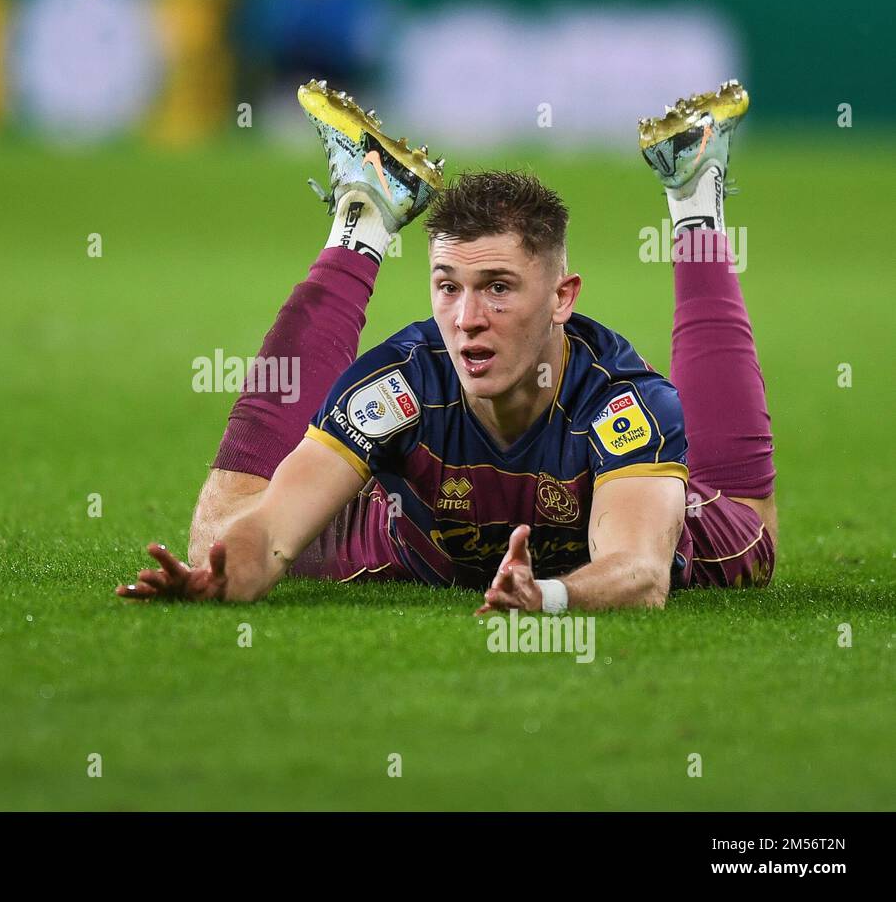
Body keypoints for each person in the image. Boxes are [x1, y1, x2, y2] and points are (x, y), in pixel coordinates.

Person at [118, 79, 775, 612]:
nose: (466, 318)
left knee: (753, 526)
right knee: (219, 540)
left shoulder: (621, 403)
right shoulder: (397, 386)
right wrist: (225, 575)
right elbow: (268, 535)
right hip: (409, 542)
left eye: (498, 288)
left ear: (561, 298)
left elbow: (638, 573)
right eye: (447, 286)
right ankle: (366, 220)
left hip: (654, 524)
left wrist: (546, 594)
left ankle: (695, 200)